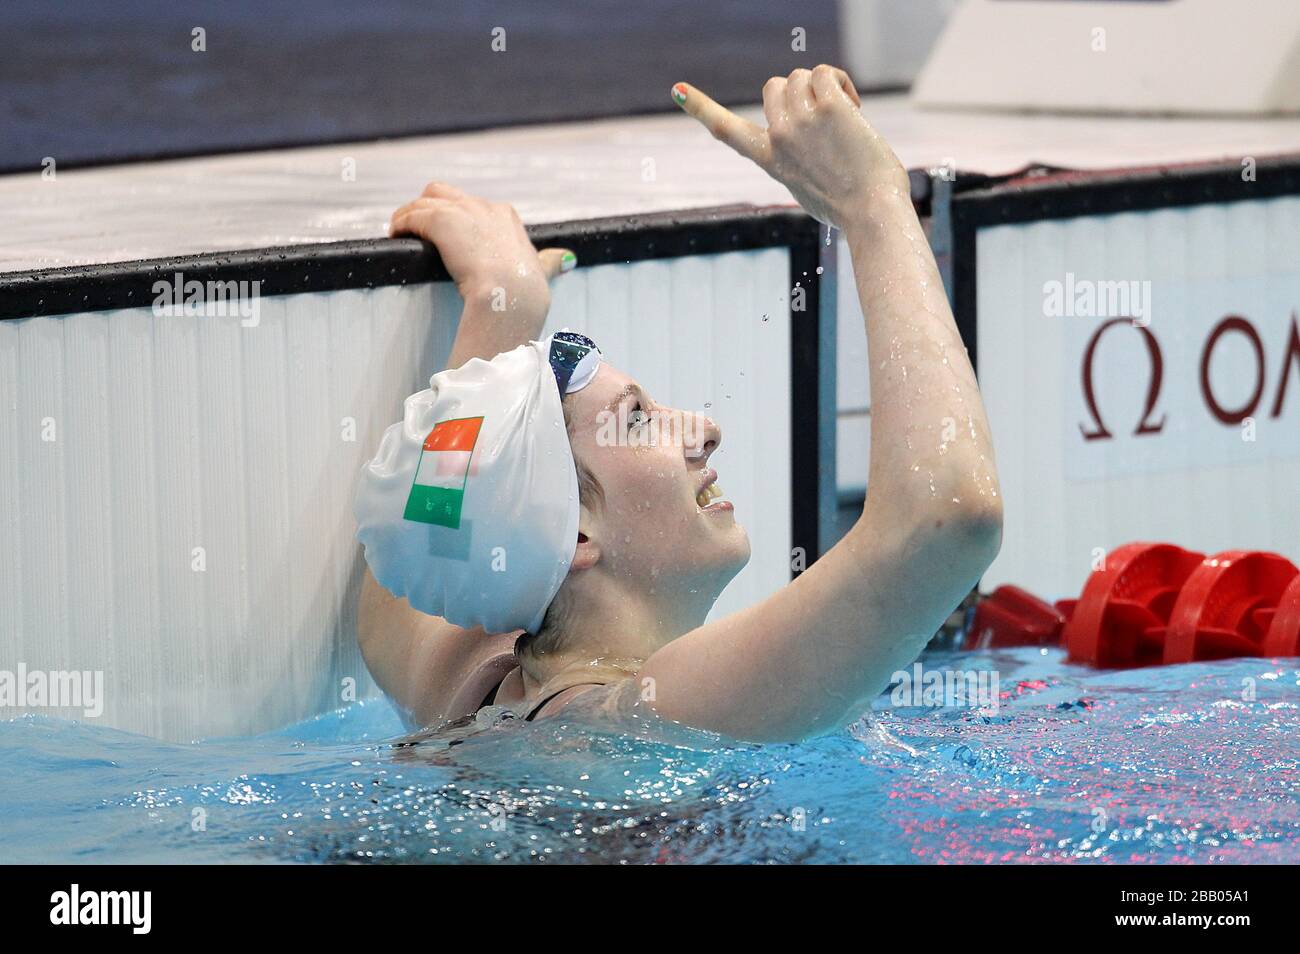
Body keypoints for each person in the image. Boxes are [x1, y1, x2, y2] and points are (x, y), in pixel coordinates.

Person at [356, 65, 1002, 744]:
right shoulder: (652, 716)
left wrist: (503, 307)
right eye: (638, 419)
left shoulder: (463, 689)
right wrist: (873, 205)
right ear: (575, 535)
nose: (705, 430)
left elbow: (394, 577)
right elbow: (951, 517)